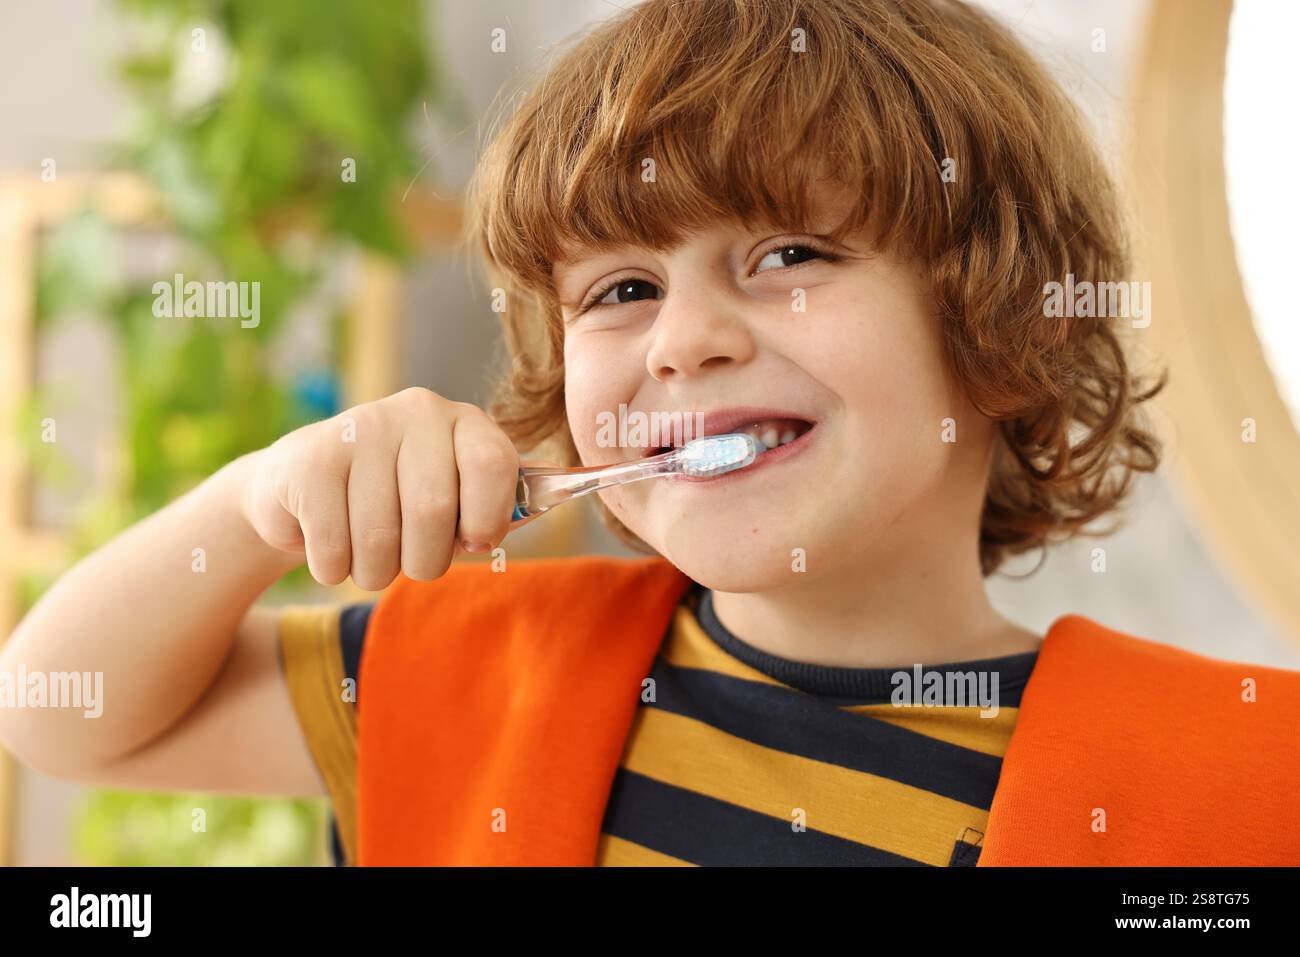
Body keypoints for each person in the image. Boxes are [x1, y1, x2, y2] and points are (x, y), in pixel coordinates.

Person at [4, 0, 1297, 867]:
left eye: (788, 253)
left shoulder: (1250, 776)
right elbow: (60, 712)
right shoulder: (471, 672)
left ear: (1002, 335)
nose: (685, 338)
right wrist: (252, 506)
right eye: (622, 291)